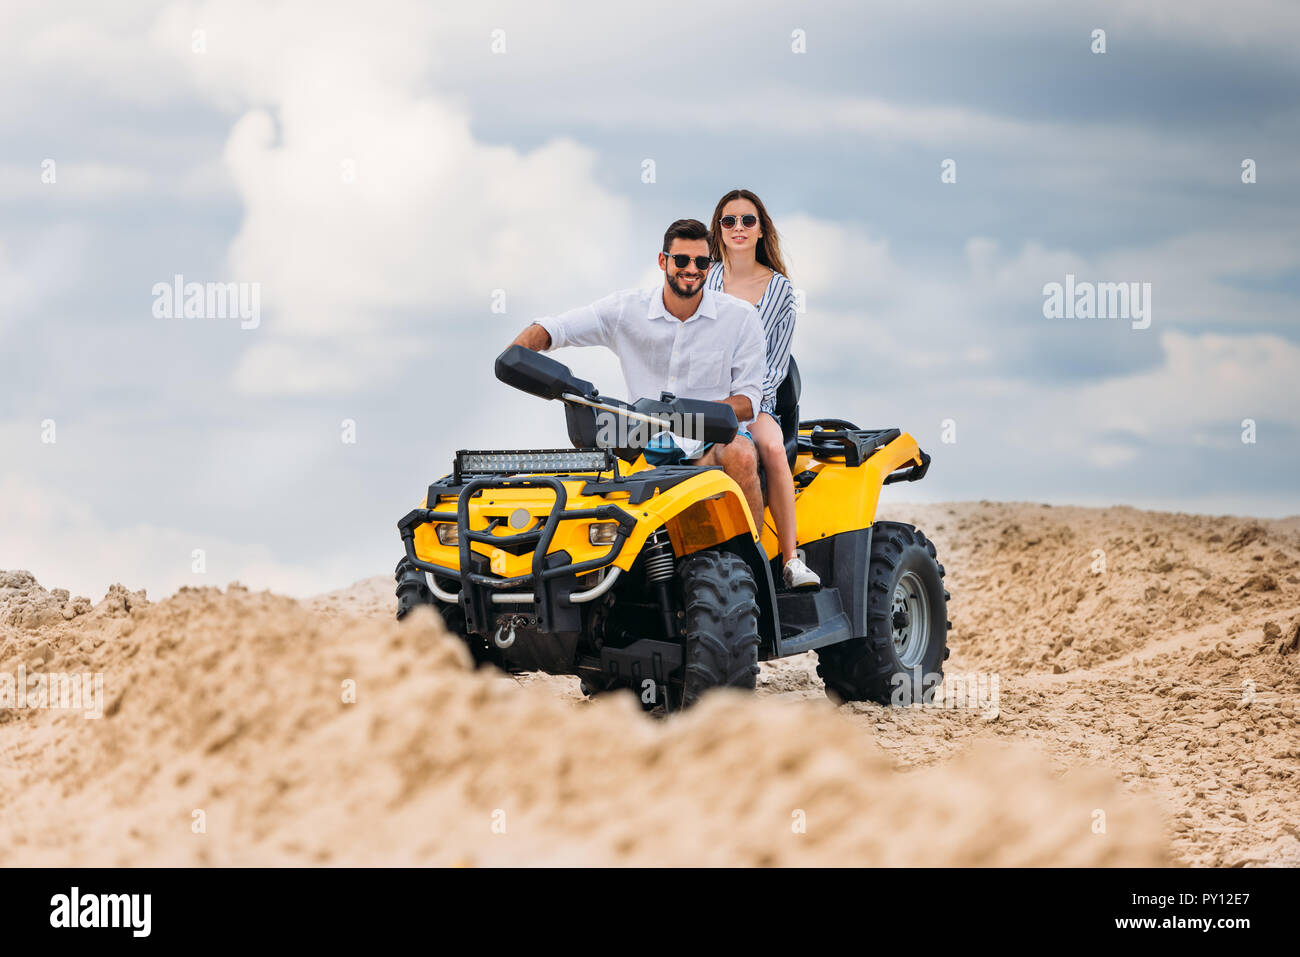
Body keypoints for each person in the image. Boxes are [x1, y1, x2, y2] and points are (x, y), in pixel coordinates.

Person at [508, 219, 768, 529]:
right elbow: (557, 328)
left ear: (710, 266)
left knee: (741, 452)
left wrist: (682, 413)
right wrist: (516, 355)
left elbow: (749, 401)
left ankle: (753, 563)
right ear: (663, 261)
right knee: (573, 477)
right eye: (682, 260)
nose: (691, 269)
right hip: (639, 446)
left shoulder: (739, 317)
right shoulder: (626, 310)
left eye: (701, 262)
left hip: (708, 444)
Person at [706, 188, 820, 589]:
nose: (738, 228)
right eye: (729, 221)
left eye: (747, 220)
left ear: (760, 230)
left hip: (755, 400)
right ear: (718, 230)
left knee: (770, 448)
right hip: (701, 398)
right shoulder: (706, 278)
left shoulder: (781, 291)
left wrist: (742, 404)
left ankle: (791, 560)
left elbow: (775, 363)